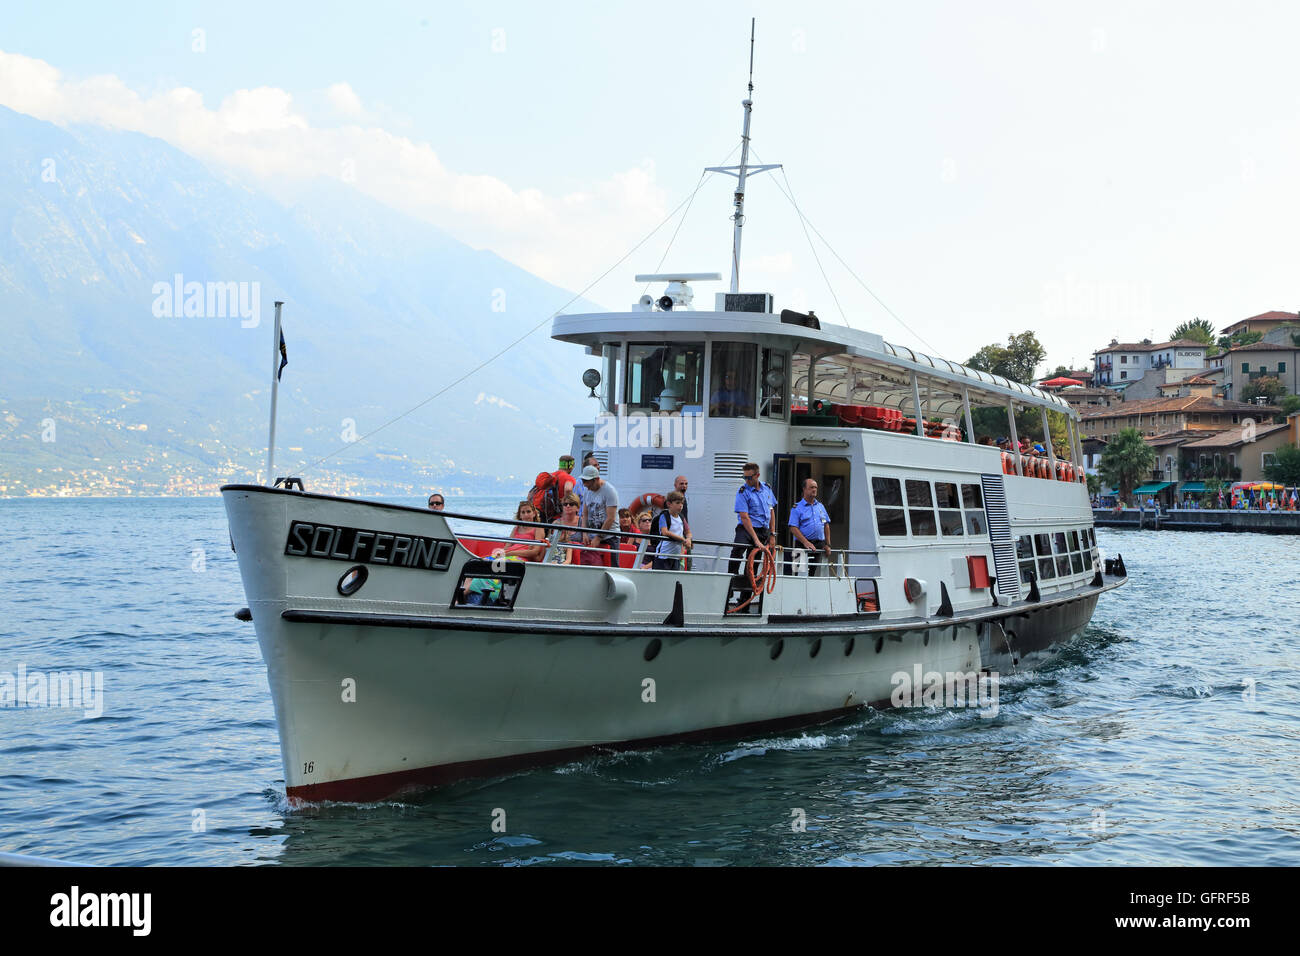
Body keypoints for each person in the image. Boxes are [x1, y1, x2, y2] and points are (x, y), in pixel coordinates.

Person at [729, 461, 776, 577]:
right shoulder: (743, 492)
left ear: (757, 476)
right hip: (746, 529)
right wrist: (756, 540)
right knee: (738, 551)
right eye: (744, 477)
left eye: (749, 478)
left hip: (762, 531)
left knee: (753, 565)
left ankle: (746, 593)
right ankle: (730, 582)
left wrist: (772, 534)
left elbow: (771, 511)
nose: (747, 480)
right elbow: (744, 517)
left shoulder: (767, 489)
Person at [788, 477, 832, 576]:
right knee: (798, 575)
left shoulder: (820, 506)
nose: (814, 489)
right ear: (804, 489)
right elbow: (793, 528)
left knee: (813, 574)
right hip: (801, 545)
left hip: (818, 545)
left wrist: (828, 544)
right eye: (811, 487)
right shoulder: (797, 507)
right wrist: (805, 542)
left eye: (816, 487)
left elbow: (826, 525)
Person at [578, 465, 619, 566]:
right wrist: (585, 533)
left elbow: (610, 518)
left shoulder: (609, 491)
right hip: (593, 536)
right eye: (583, 481)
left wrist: (599, 537)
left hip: (610, 536)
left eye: (587, 481)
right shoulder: (587, 491)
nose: (585, 484)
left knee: (612, 566)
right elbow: (585, 514)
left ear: (596, 479)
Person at [652, 491, 689, 570]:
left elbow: (688, 532)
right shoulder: (664, 516)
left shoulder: (681, 518)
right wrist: (682, 539)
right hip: (663, 555)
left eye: (682, 503)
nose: (680, 506)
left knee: (673, 580)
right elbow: (664, 532)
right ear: (669, 504)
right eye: (677, 503)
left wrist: (688, 539)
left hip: (675, 556)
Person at [545, 492, 582, 564]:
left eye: (571, 504)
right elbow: (550, 540)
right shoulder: (556, 523)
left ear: (577, 508)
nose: (568, 506)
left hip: (579, 557)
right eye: (565, 504)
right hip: (558, 556)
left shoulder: (582, 522)